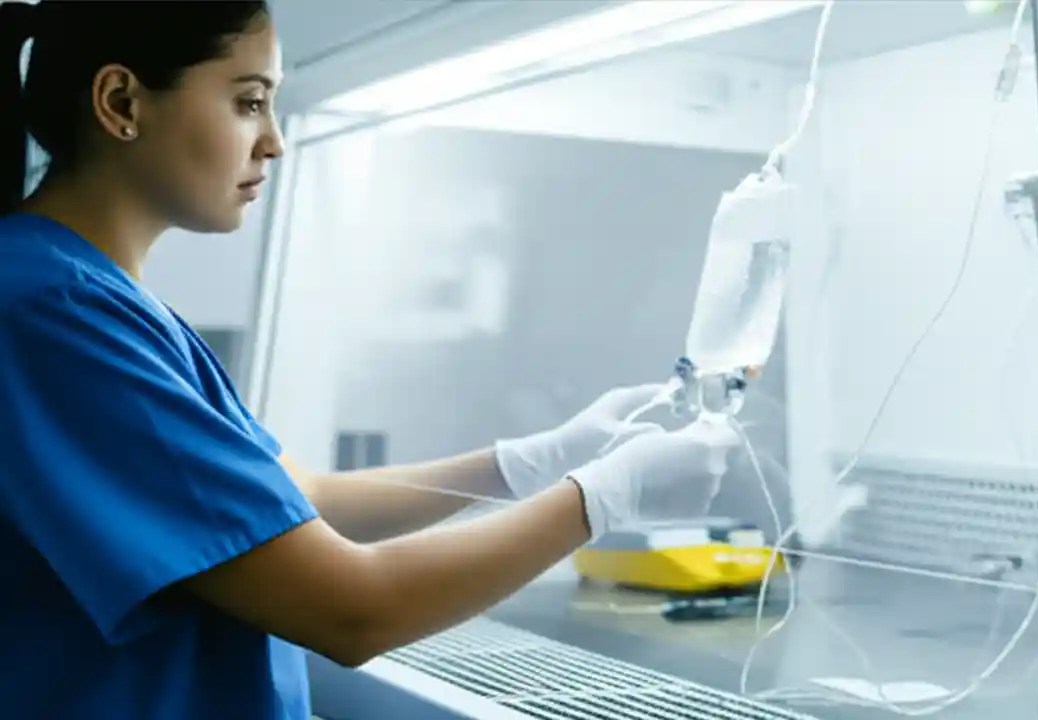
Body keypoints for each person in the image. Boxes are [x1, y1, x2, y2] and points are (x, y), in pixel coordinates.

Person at [0, 2, 740, 718]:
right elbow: (353, 610)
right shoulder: (52, 312)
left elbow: (298, 502)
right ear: (122, 100)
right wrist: (602, 498)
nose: (275, 143)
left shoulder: (88, 298)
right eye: (248, 102)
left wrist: (531, 461)